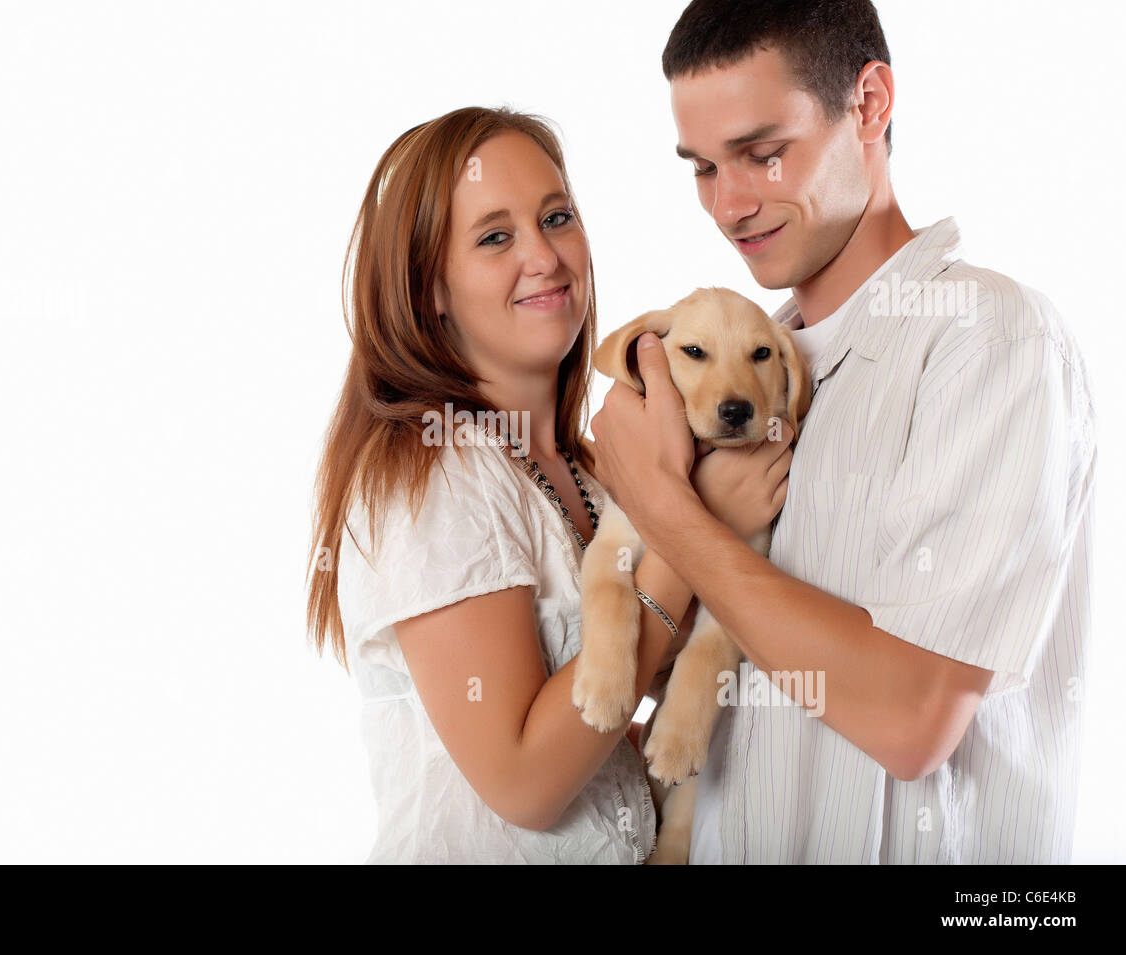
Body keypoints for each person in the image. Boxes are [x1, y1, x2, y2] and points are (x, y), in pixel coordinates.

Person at [590, 0, 1097, 864]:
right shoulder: (742, 365)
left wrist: (670, 510)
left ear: (869, 104)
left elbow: (912, 717)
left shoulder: (988, 339)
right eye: (704, 167)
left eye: (762, 152)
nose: (730, 204)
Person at [304, 106, 783, 863]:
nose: (546, 256)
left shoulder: (586, 468)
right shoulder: (437, 473)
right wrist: (693, 530)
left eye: (556, 217)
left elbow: (611, 721)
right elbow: (524, 782)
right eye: (496, 236)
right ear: (430, 288)